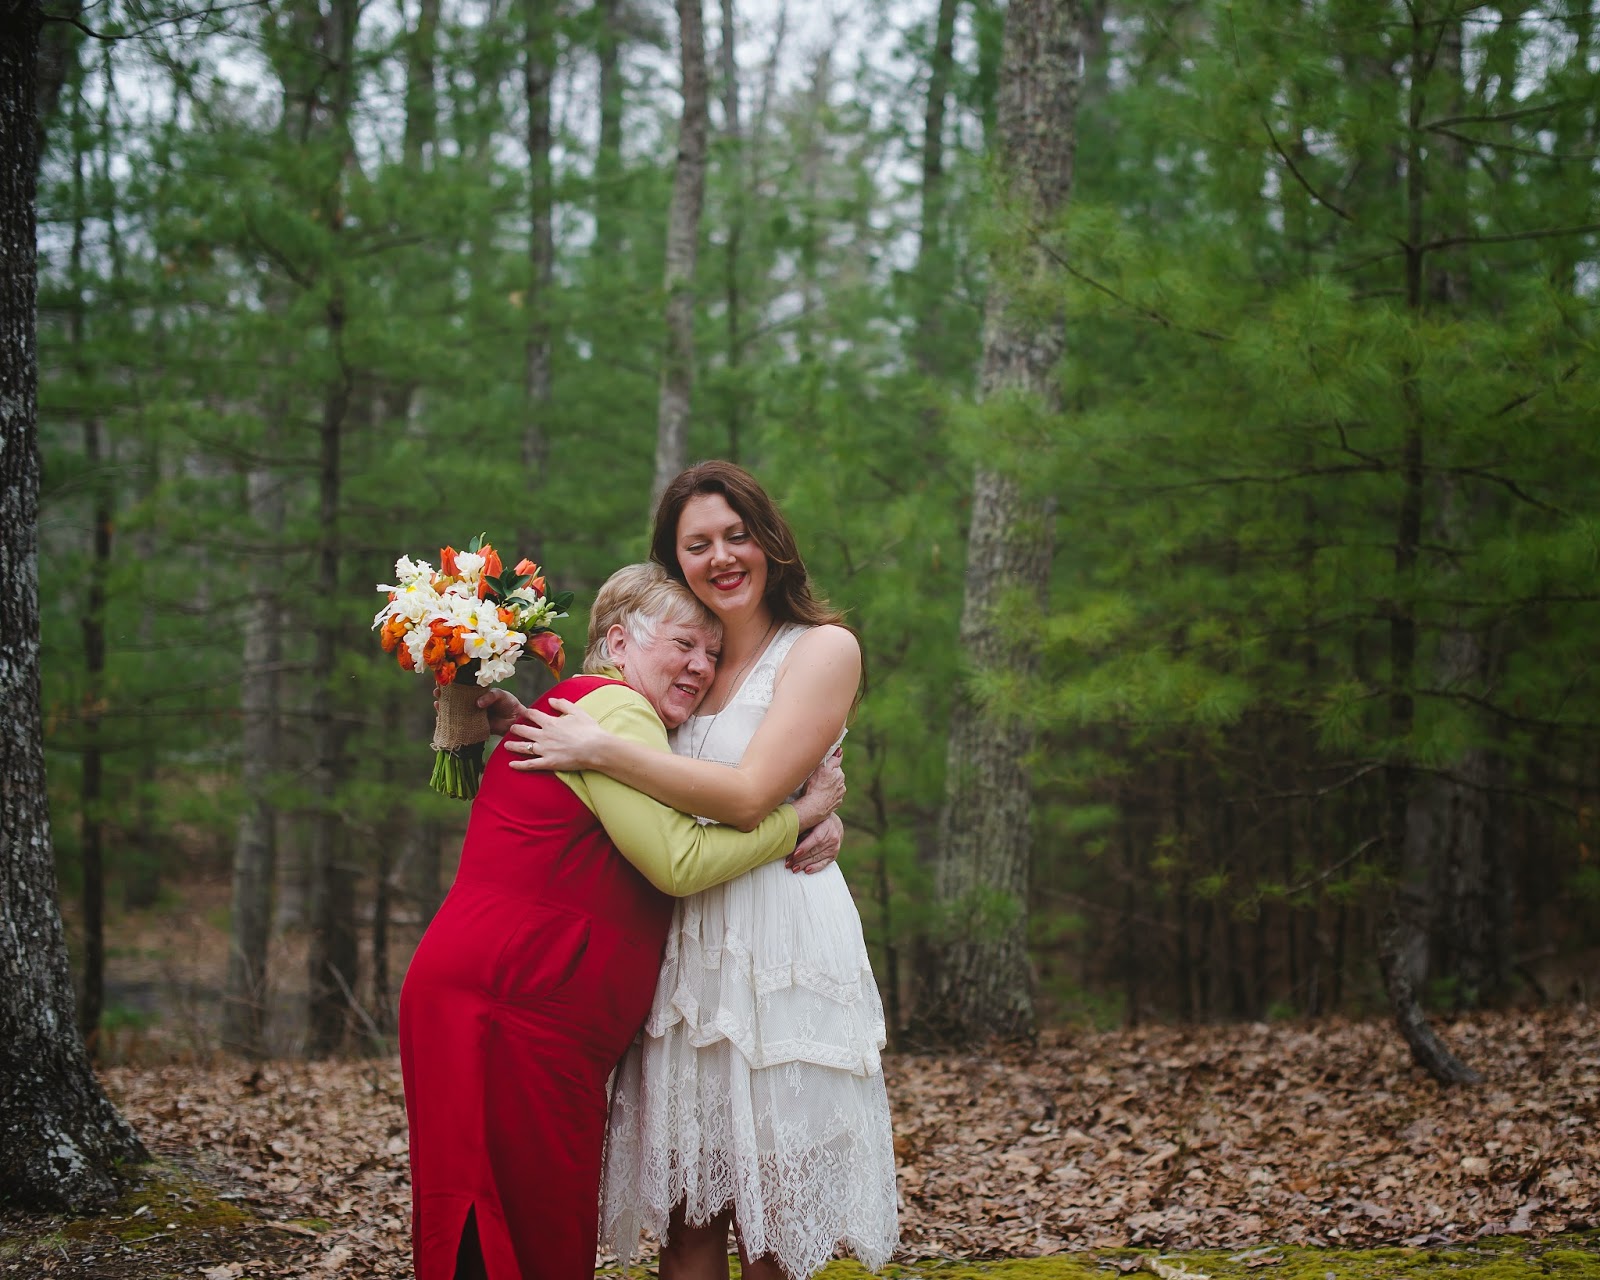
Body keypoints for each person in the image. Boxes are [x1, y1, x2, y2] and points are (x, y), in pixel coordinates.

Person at [397, 562, 846, 1280]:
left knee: (488, 1208)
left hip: (499, 989)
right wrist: (801, 816)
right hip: (516, 996)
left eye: (713, 653)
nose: (701, 667)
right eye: (683, 644)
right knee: (526, 1218)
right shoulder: (618, 711)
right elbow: (680, 862)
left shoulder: (589, 712)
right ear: (617, 642)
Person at [505, 461, 898, 1279]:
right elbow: (638, 782)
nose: (720, 557)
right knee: (689, 1223)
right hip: (686, 945)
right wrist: (536, 719)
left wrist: (598, 748)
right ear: (674, 560)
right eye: (697, 544)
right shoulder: (687, 660)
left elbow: (750, 792)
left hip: (781, 935)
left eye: (736, 535)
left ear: (769, 540)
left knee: (773, 1232)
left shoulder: (822, 649)